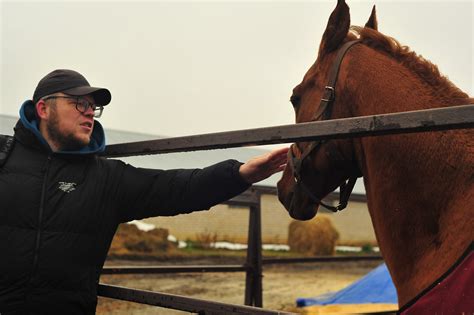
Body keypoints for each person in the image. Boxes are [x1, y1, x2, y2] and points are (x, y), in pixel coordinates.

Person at [0, 69, 289, 314]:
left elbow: (177, 188)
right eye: (78, 103)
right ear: (43, 109)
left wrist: (239, 174)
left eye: (93, 106)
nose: (89, 112)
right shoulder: (4, 157)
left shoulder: (107, 178)